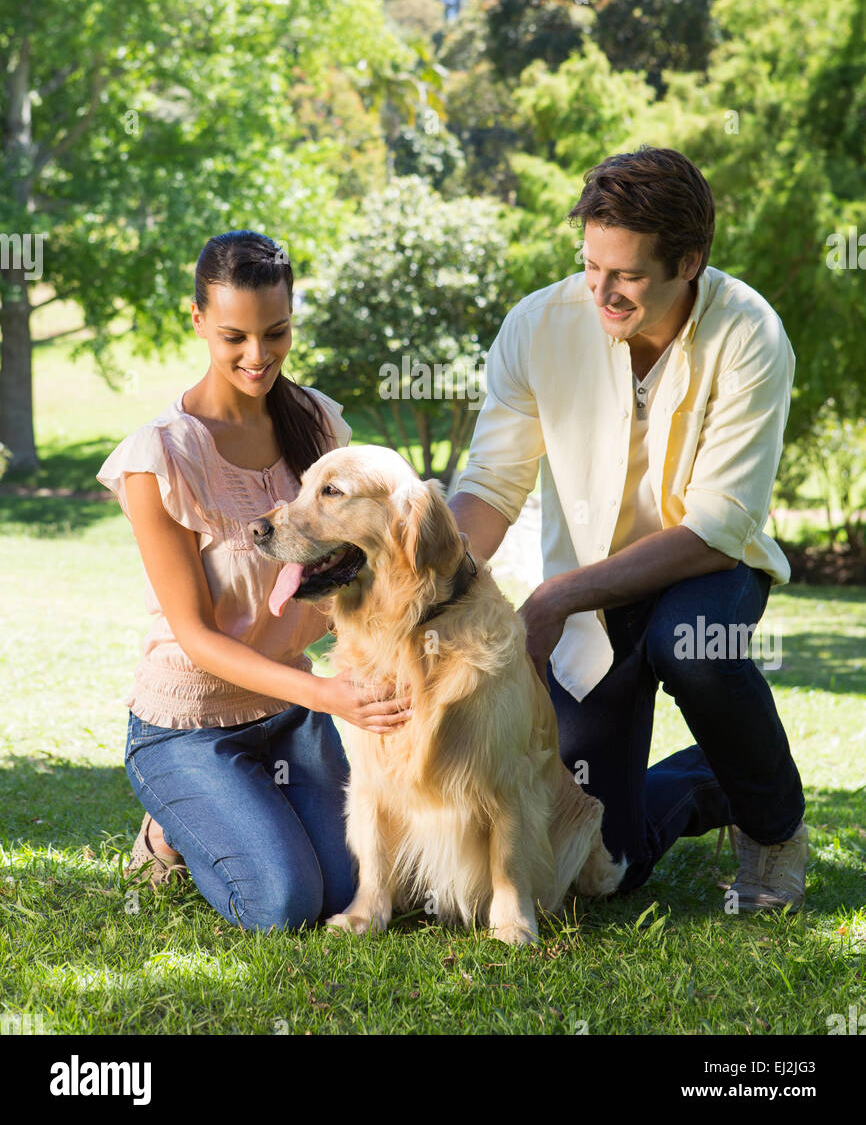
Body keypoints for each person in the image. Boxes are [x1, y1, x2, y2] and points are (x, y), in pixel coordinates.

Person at [448, 147, 808, 911]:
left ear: (690, 261)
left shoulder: (750, 334)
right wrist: (426, 583)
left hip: (704, 570)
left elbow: (718, 525)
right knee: (593, 863)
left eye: (628, 277)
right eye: (590, 266)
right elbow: (489, 485)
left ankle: (773, 831)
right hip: (591, 602)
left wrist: (552, 600)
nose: (601, 292)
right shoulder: (538, 326)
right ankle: (716, 776)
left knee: (695, 650)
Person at [96, 230, 410, 932]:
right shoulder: (160, 457)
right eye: (234, 335)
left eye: (276, 332)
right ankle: (166, 832)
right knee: (284, 904)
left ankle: (249, 811)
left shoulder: (320, 425)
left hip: (288, 715)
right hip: (188, 725)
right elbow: (198, 638)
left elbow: (365, 570)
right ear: (198, 320)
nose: (257, 356)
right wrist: (329, 696)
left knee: (359, 884)